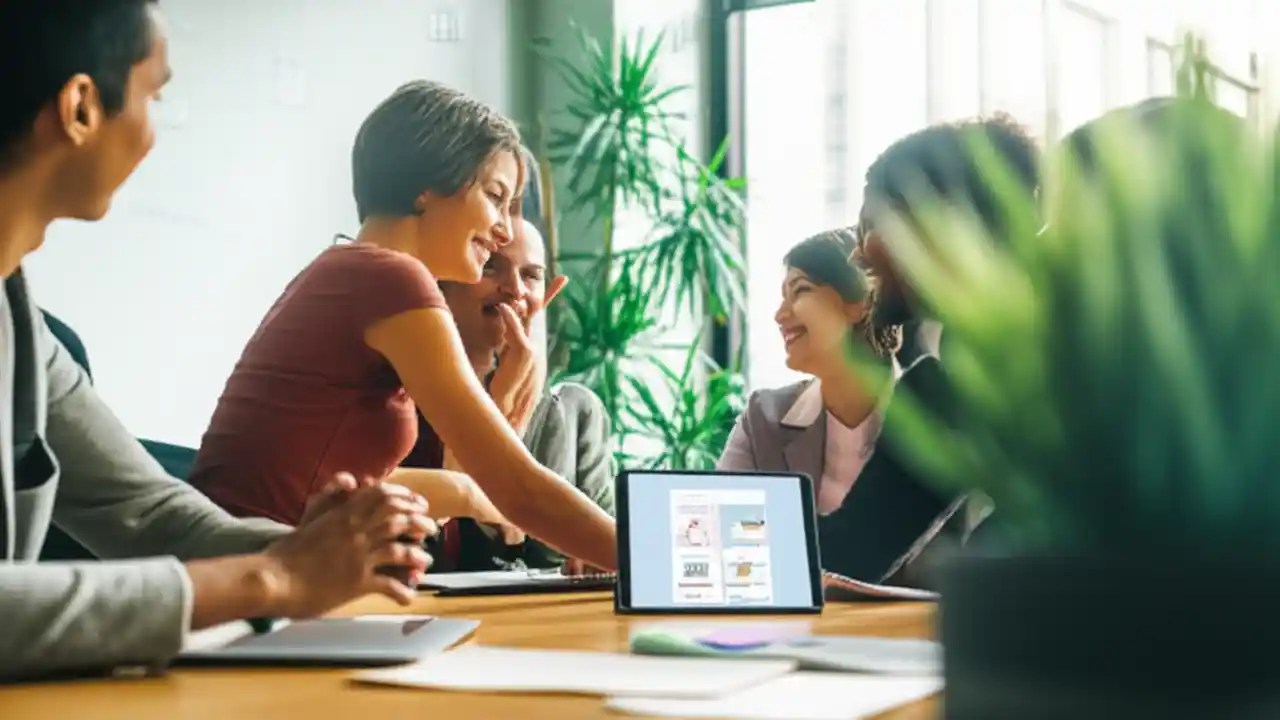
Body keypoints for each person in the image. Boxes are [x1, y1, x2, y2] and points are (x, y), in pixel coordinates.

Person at [0, 0, 434, 680]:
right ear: (81, 107)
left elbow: (150, 512)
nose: (154, 132)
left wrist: (318, 551)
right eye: (154, 96)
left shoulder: (21, 324)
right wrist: (270, 581)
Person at [189, 80, 617, 570]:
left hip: (246, 562)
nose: (503, 230)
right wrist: (649, 564)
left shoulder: (344, 267)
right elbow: (518, 487)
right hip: (264, 579)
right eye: (495, 197)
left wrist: (469, 492)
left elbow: (329, 480)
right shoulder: (393, 280)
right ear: (427, 189)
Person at [820, 115, 1041, 588]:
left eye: (868, 225)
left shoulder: (1083, 367)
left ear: (932, 226)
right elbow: (849, 549)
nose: (856, 254)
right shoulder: (943, 391)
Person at [404, 214, 615, 571]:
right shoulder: (402, 408)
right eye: (491, 267)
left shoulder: (577, 413)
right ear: (442, 286)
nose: (516, 289)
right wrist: (499, 410)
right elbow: (416, 549)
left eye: (531, 275)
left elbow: (600, 562)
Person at [717, 229, 901, 523]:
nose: (780, 315)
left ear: (861, 303)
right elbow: (726, 523)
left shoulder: (930, 423)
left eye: (801, 291)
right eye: (783, 297)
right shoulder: (763, 418)